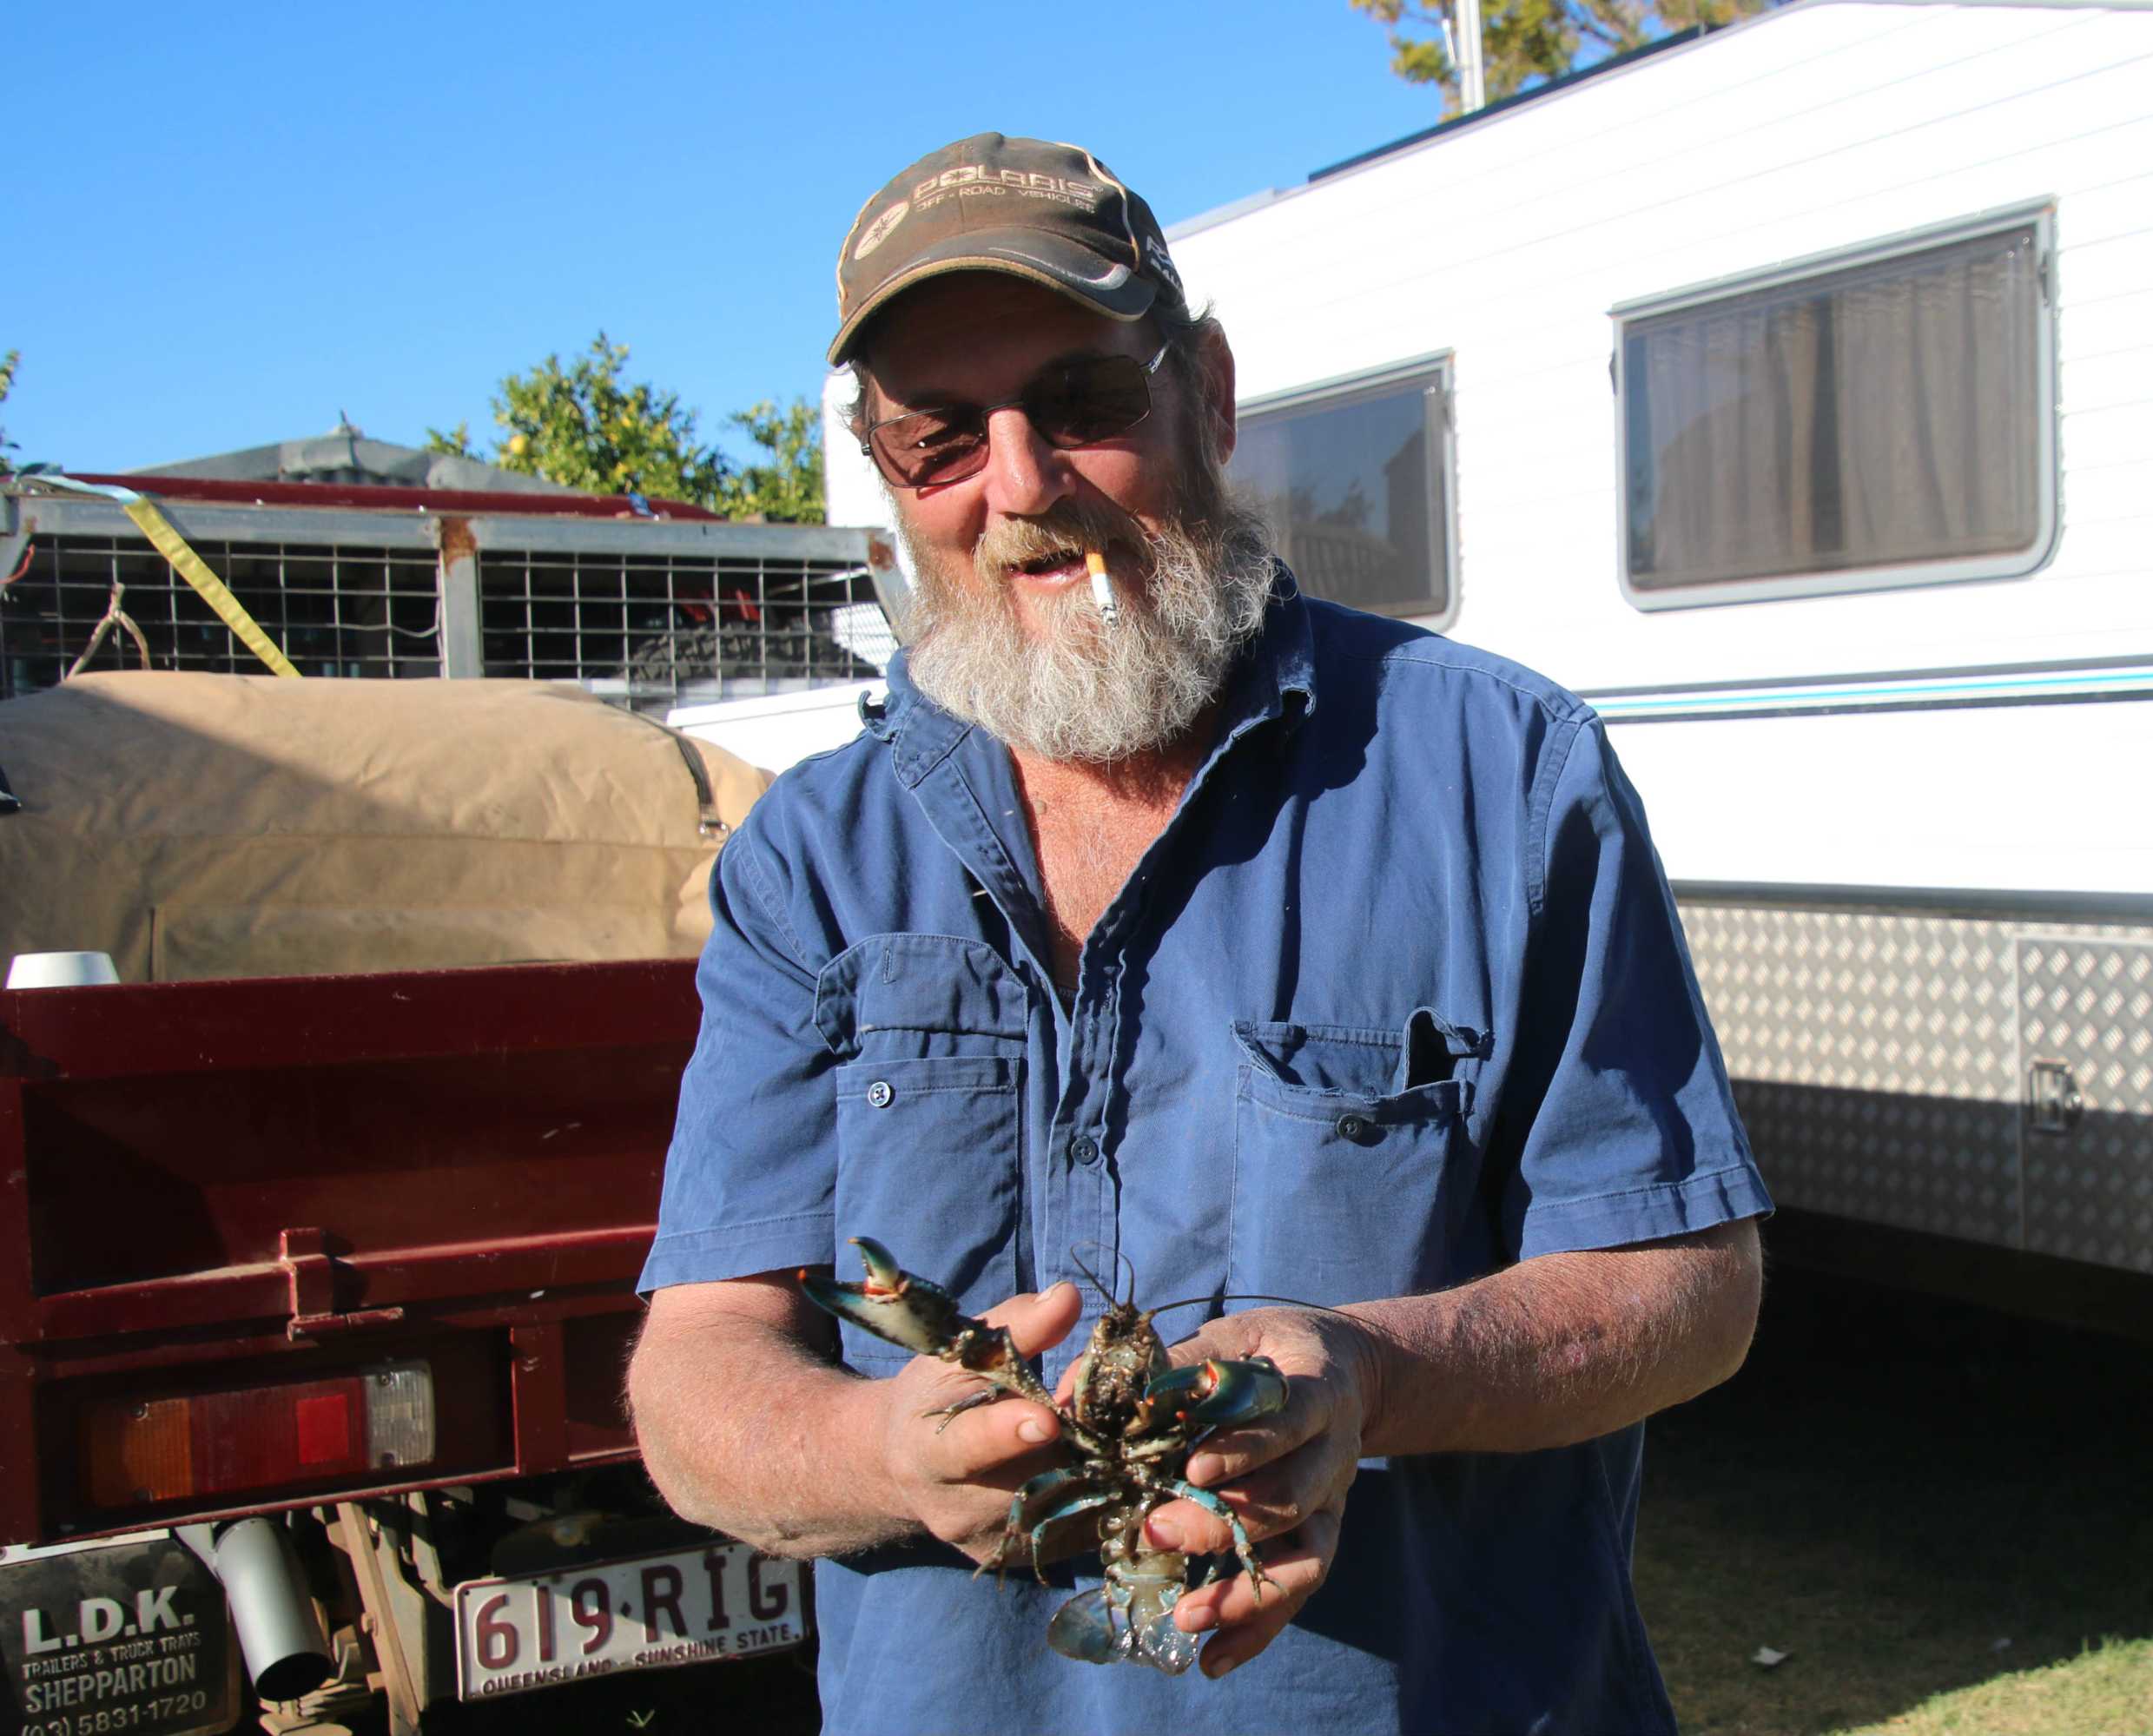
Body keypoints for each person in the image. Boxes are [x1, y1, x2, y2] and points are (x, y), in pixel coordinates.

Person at [627, 133, 1771, 1736]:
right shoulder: (813, 862)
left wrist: (1365, 1370)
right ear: (885, 474)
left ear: (1209, 396)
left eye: (1083, 402)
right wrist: (882, 1452)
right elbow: (696, 1381)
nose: (1022, 487)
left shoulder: (1502, 773)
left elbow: (1692, 1286)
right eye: (939, 438)